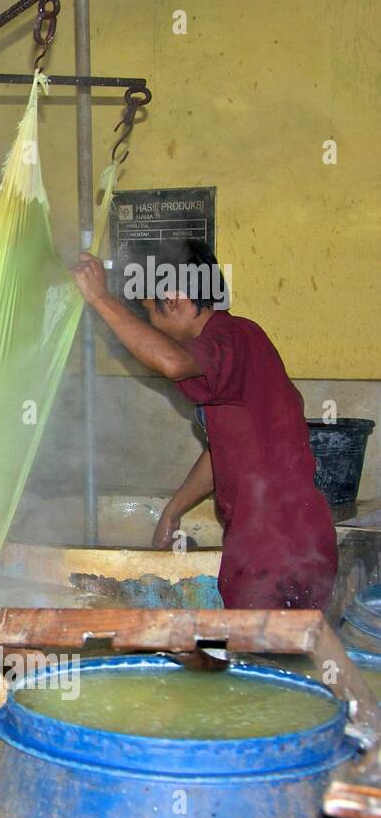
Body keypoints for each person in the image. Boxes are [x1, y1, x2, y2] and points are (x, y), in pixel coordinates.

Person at [70, 240, 337, 610]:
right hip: (279, 548)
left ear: (175, 300)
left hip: (278, 554)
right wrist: (173, 511)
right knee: (270, 660)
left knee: (262, 662)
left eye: (150, 309)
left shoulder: (234, 337)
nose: (151, 322)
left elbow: (173, 363)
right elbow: (223, 453)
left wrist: (100, 299)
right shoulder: (237, 348)